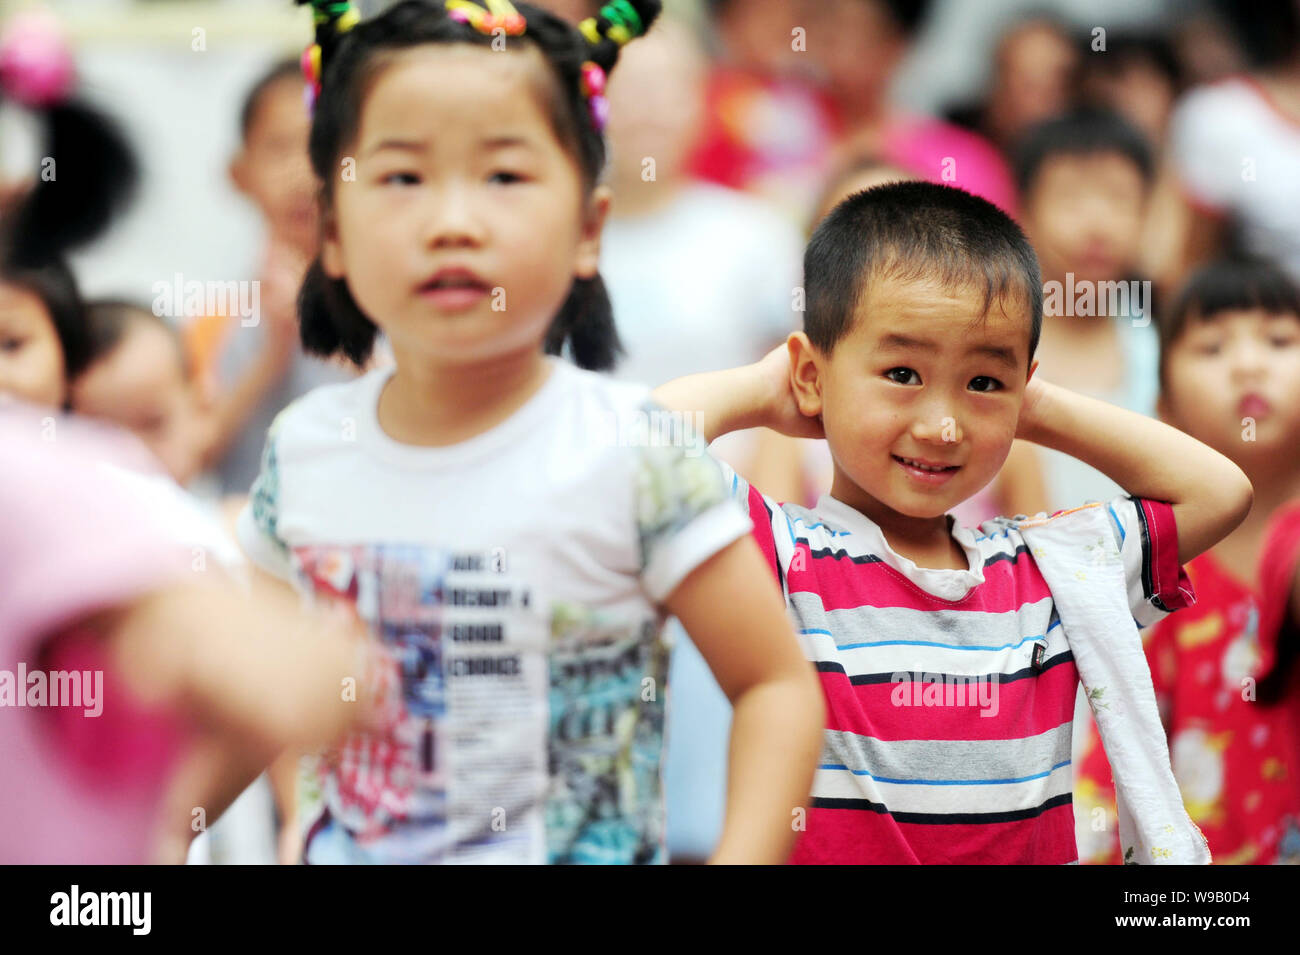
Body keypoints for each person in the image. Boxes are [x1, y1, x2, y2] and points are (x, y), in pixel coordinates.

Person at [236, 0, 823, 865]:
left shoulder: (638, 450)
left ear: (589, 227)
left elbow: (774, 684)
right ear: (332, 230)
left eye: (504, 176)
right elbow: (263, 686)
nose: (454, 221)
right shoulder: (304, 447)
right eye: (402, 177)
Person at [653, 181, 1253, 863]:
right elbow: (630, 451)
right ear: (812, 375)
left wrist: (1036, 402)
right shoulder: (782, 555)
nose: (942, 425)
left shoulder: (1051, 569)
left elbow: (1218, 491)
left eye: (982, 383)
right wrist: (770, 388)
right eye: (903, 371)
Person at [1076, 258, 1300, 865]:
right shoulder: (1159, 582)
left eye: (1280, 340)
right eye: (1213, 347)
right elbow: (1114, 760)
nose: (1250, 363)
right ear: (1163, 409)